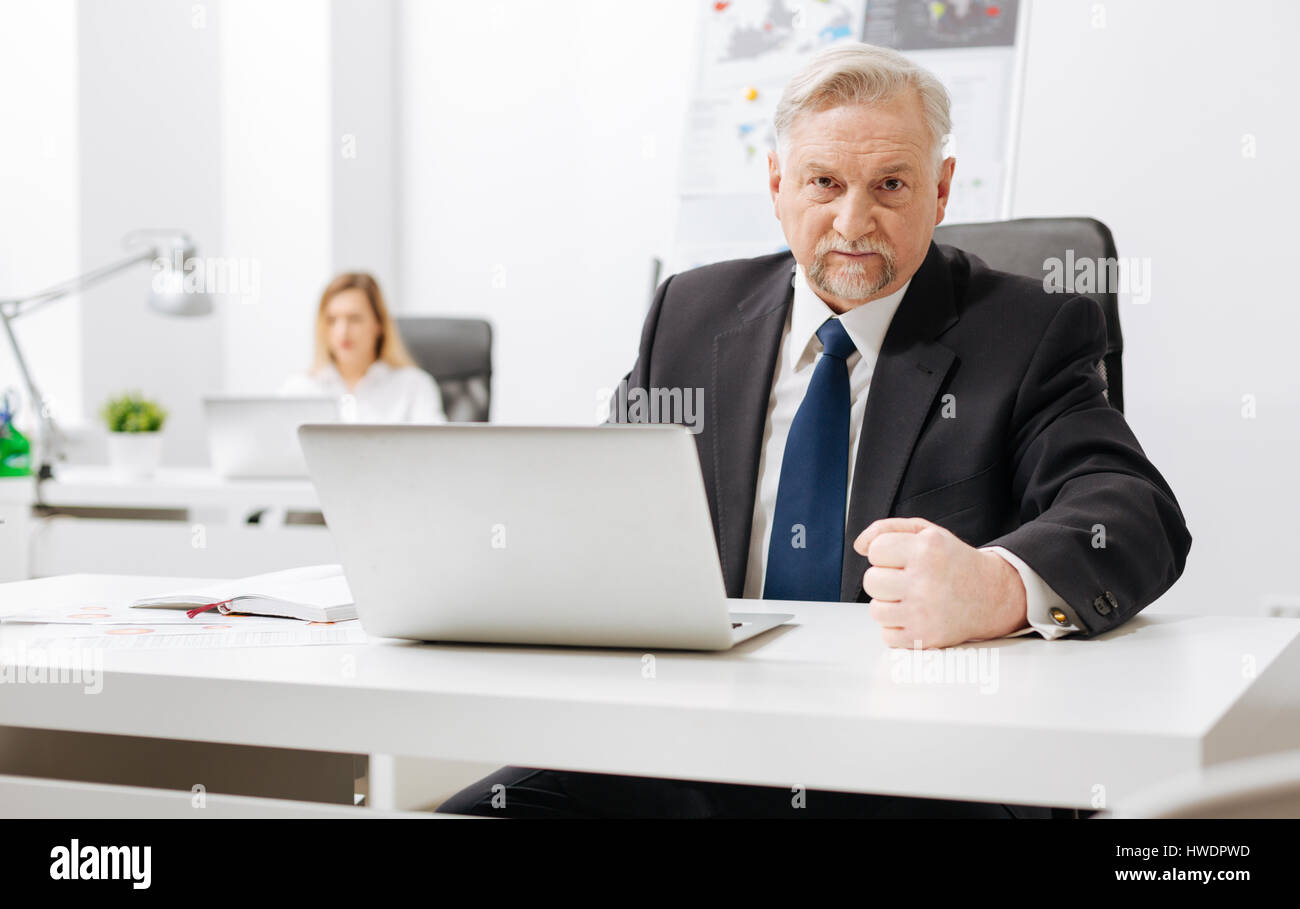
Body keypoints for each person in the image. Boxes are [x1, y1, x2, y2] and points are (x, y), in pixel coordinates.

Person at [440, 43, 1191, 818]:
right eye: (824, 183)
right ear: (776, 185)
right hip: (692, 747)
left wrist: (996, 586)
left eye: (891, 185)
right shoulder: (690, 316)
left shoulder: (1027, 331)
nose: (853, 220)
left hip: (916, 767)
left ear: (940, 190)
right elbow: (598, 499)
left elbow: (1134, 513)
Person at [279, 272, 446, 423]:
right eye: (332, 320)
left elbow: (438, 451)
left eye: (354, 319)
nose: (342, 332)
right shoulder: (299, 389)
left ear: (378, 324)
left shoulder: (413, 386)